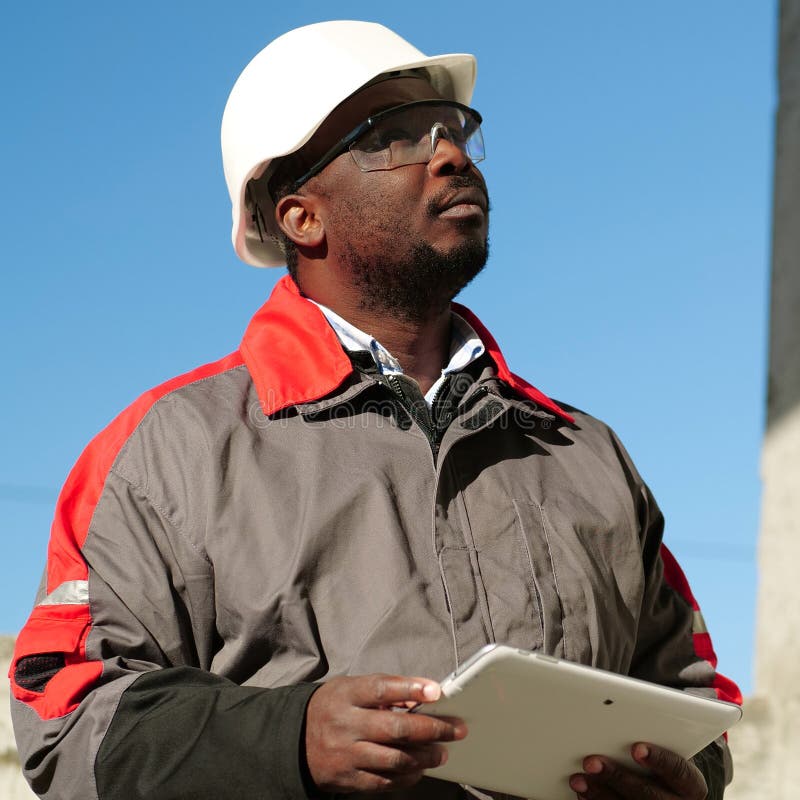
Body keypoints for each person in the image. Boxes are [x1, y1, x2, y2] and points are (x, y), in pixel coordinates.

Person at [10, 20, 741, 800]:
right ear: (301, 216)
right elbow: (67, 725)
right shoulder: (169, 452)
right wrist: (288, 739)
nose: (450, 154)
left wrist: (684, 776)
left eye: (452, 129)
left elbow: (696, 703)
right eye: (393, 137)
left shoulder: (586, 455)